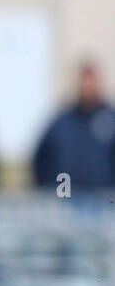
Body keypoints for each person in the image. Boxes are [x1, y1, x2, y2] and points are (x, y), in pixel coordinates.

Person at [32, 60, 115, 190]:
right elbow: (41, 160)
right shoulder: (61, 123)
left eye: (91, 81)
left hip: (106, 203)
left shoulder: (111, 120)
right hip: (66, 202)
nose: (88, 86)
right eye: (84, 81)